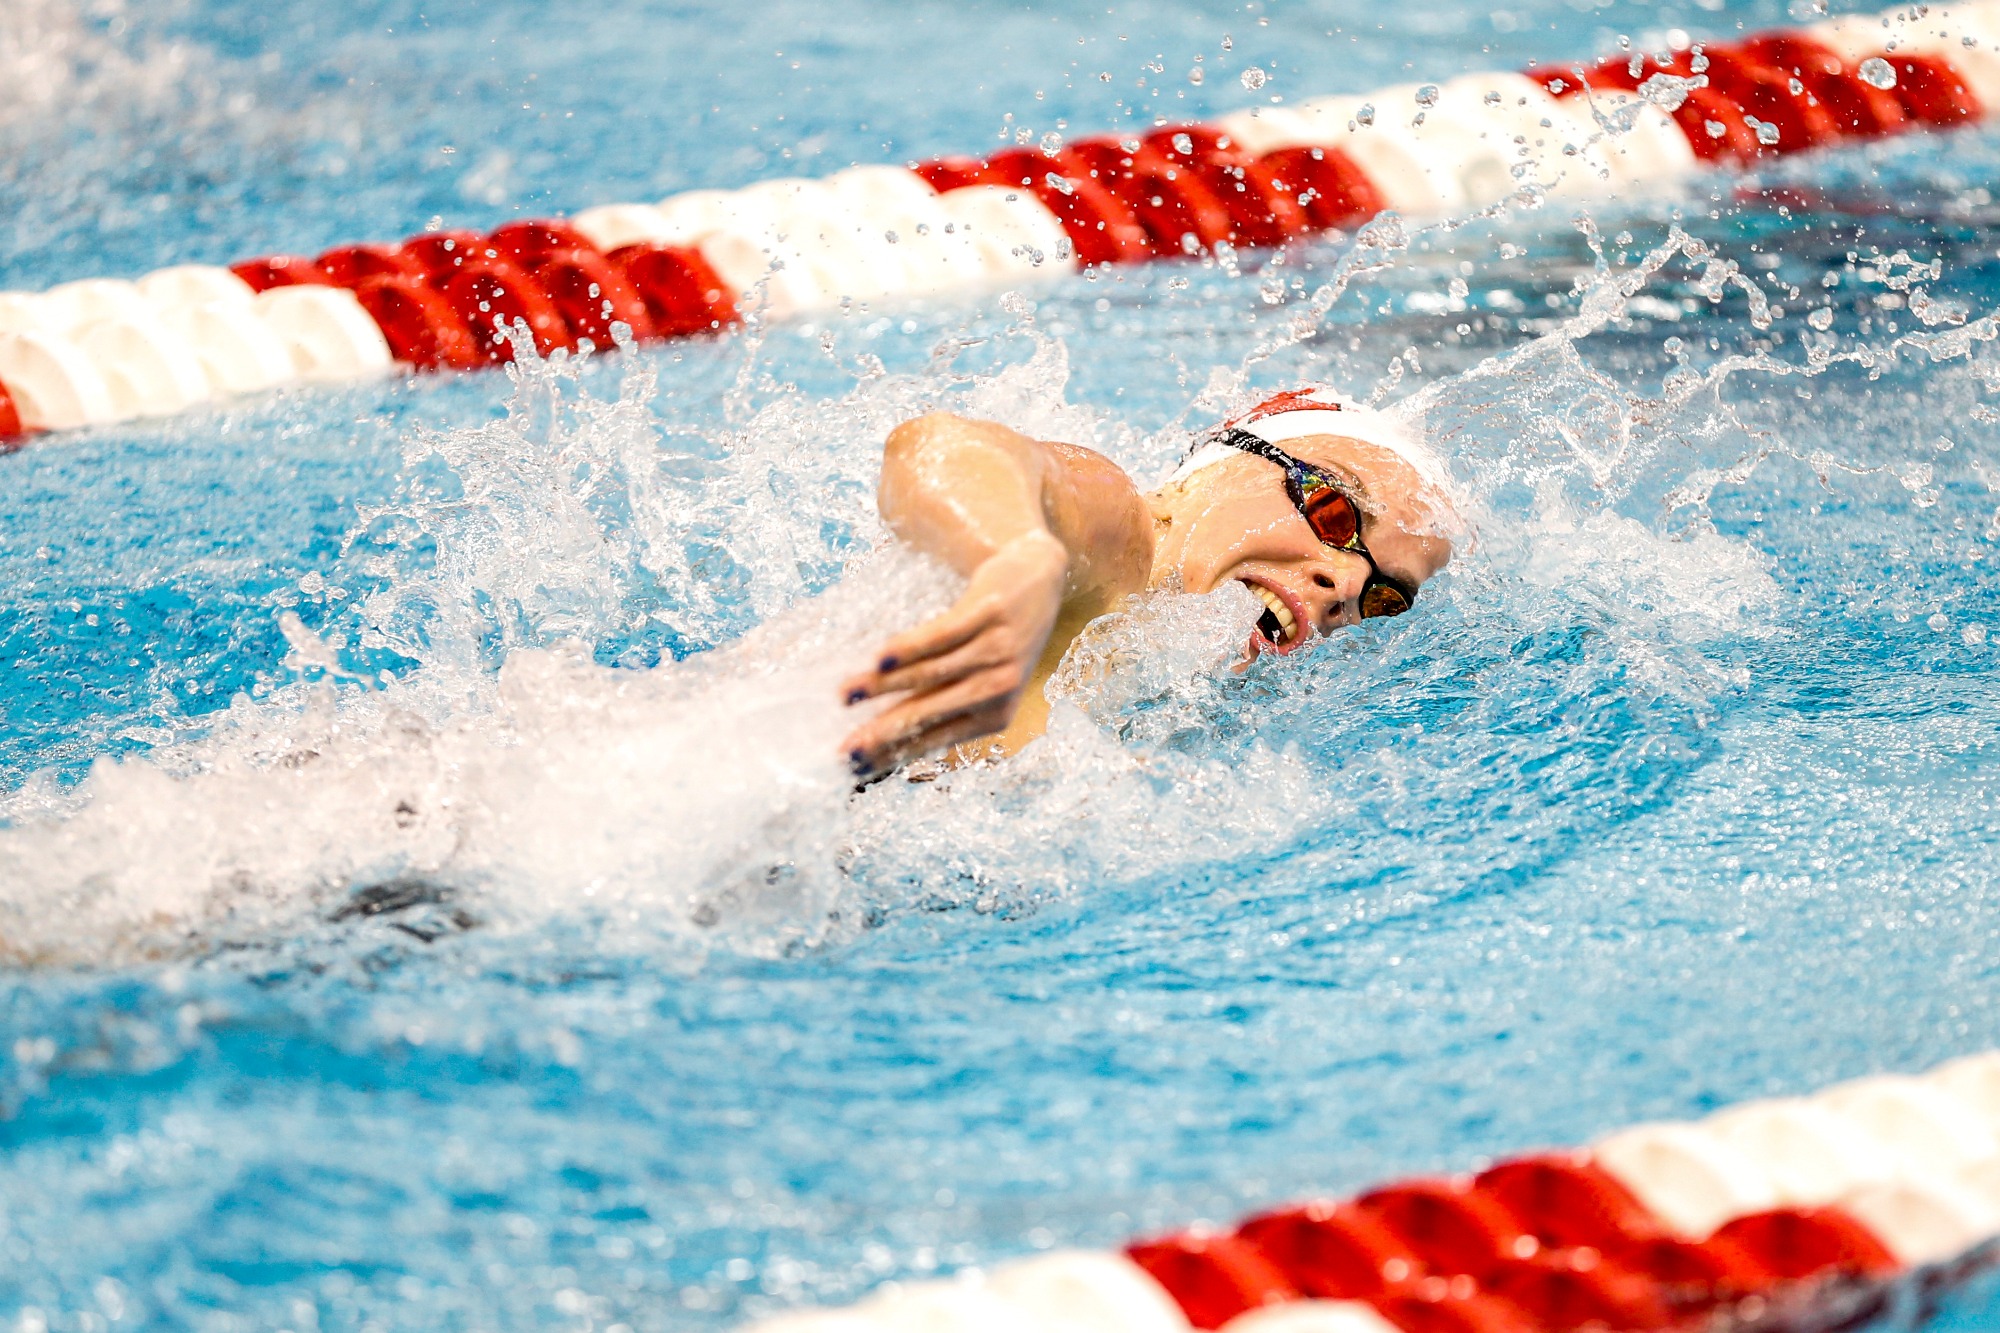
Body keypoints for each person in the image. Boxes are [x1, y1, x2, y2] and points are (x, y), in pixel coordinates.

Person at [837, 387, 1462, 778]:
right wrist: (1017, 558)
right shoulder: (1124, 541)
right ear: (1220, 467)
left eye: (1384, 598)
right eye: (1336, 511)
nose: (1347, 582)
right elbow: (941, 451)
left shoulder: (1180, 697)